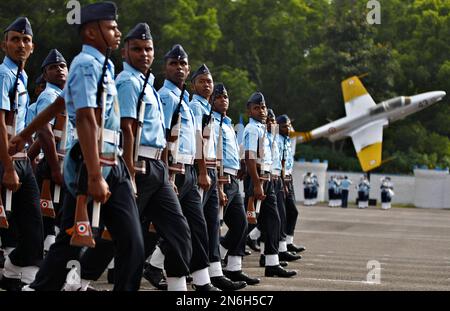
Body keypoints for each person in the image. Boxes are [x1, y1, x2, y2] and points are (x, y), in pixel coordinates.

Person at [23, 2, 145, 291]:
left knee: (131, 242)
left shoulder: (101, 64)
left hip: (110, 161)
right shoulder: (86, 64)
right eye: (111, 28)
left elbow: (60, 103)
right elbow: (87, 119)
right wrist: (93, 176)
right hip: (92, 163)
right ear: (91, 32)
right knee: (71, 241)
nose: (117, 33)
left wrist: (22, 133)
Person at [116, 22, 193, 291]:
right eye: (137, 49)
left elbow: (162, 136)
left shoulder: (146, 84)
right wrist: (129, 176)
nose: (144, 54)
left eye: (148, 49)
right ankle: (76, 281)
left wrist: (166, 174)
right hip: (136, 165)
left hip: (157, 167)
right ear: (125, 52)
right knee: (121, 237)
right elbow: (128, 130)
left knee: (179, 230)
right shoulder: (127, 82)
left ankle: (178, 289)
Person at [158, 44, 219, 291]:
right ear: (165, 68)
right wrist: (166, 173)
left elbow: (196, 140)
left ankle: (200, 281)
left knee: (196, 227)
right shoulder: (166, 97)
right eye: (174, 64)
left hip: (189, 171)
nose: (179, 68)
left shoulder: (183, 99)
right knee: (154, 231)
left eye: (183, 64)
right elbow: (161, 136)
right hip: (170, 171)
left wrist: (201, 171)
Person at [189, 64, 246, 290]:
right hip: (203, 172)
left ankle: (214, 272)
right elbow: (198, 142)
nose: (207, 85)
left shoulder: (218, 118)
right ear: (194, 84)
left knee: (212, 225)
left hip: (215, 173)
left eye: (209, 82)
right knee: (193, 225)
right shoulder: (197, 108)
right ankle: (157, 264)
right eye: (202, 81)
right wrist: (204, 172)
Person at [0, 16, 44, 291]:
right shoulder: (3, 74)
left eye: (25, 40)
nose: (20, 44)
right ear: (5, 44)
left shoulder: (22, 74)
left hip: (22, 159)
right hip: (6, 160)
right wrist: (6, 167)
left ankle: (14, 271)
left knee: (32, 223)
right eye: (15, 39)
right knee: (20, 223)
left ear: (32, 47)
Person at [211, 83, 260, 286]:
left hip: (232, 178)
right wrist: (218, 185)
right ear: (212, 100)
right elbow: (212, 152)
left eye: (226, 96)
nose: (224, 100)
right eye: (219, 96)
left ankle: (233, 267)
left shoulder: (228, 123)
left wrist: (239, 165)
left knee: (241, 224)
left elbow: (231, 152)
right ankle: (212, 271)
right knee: (213, 227)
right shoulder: (211, 121)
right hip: (219, 179)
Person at [243, 92, 296, 278]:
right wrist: (257, 184)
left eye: (263, 107)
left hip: (267, 179)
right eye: (256, 108)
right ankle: (227, 253)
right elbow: (250, 158)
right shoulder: (252, 129)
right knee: (245, 223)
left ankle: (271, 263)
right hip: (258, 180)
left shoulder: (262, 129)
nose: (261, 110)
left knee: (274, 220)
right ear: (249, 111)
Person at [33, 49, 68, 254]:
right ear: (45, 75)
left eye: (62, 66)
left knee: (60, 215)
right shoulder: (49, 96)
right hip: (54, 164)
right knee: (50, 215)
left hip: (66, 162)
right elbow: (44, 132)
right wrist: (54, 168)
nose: (59, 70)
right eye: (52, 68)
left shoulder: (65, 97)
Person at [276, 114, 305, 253]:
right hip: (282, 179)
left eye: (288, 125)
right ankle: (253, 236)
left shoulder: (287, 140)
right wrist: (284, 183)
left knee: (291, 212)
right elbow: (280, 163)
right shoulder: (278, 140)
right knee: (282, 213)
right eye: (284, 126)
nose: (287, 128)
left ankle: (288, 243)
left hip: (288, 177)